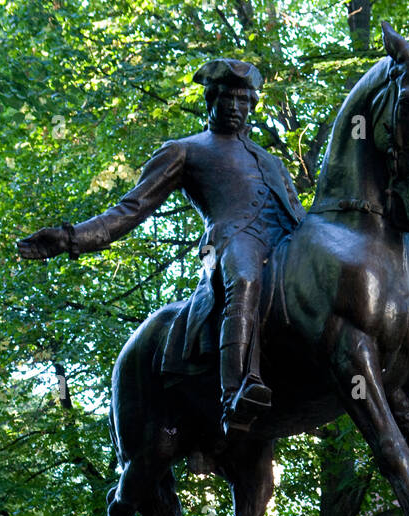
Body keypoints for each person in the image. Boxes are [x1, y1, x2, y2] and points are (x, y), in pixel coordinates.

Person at [17, 59, 305, 434]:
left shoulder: (270, 161)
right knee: (245, 278)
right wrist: (73, 238)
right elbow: (132, 208)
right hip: (228, 242)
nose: (236, 108)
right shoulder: (185, 150)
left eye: (243, 101)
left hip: (283, 240)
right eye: (228, 99)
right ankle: (236, 390)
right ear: (211, 100)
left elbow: (297, 212)